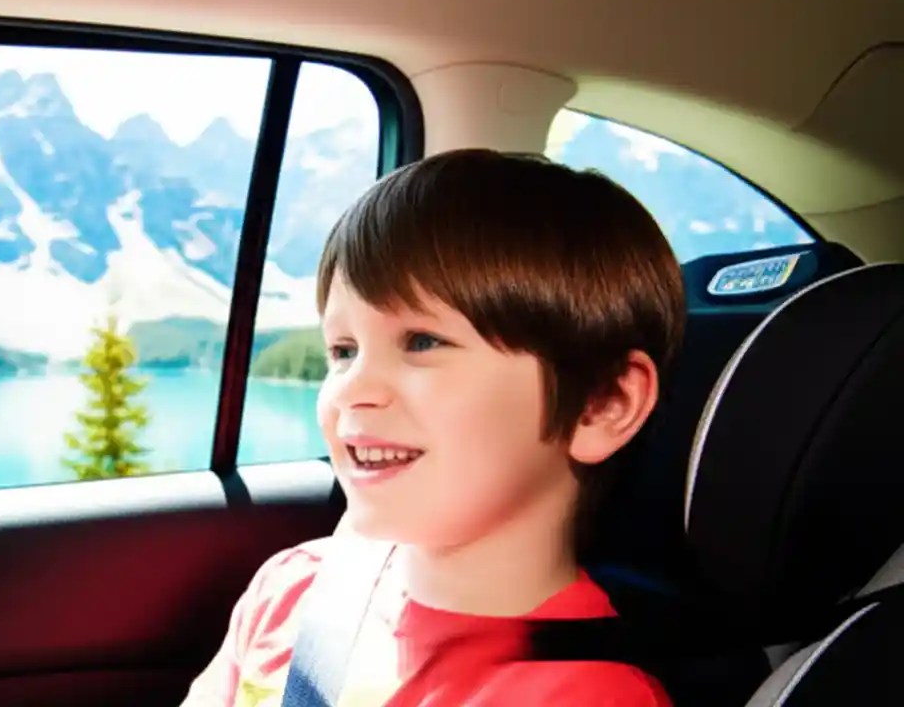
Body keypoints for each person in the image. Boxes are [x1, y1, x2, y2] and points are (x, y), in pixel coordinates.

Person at [184, 148, 685, 706]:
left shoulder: (589, 696)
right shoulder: (293, 589)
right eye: (343, 350)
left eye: (423, 342)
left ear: (601, 405)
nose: (351, 388)